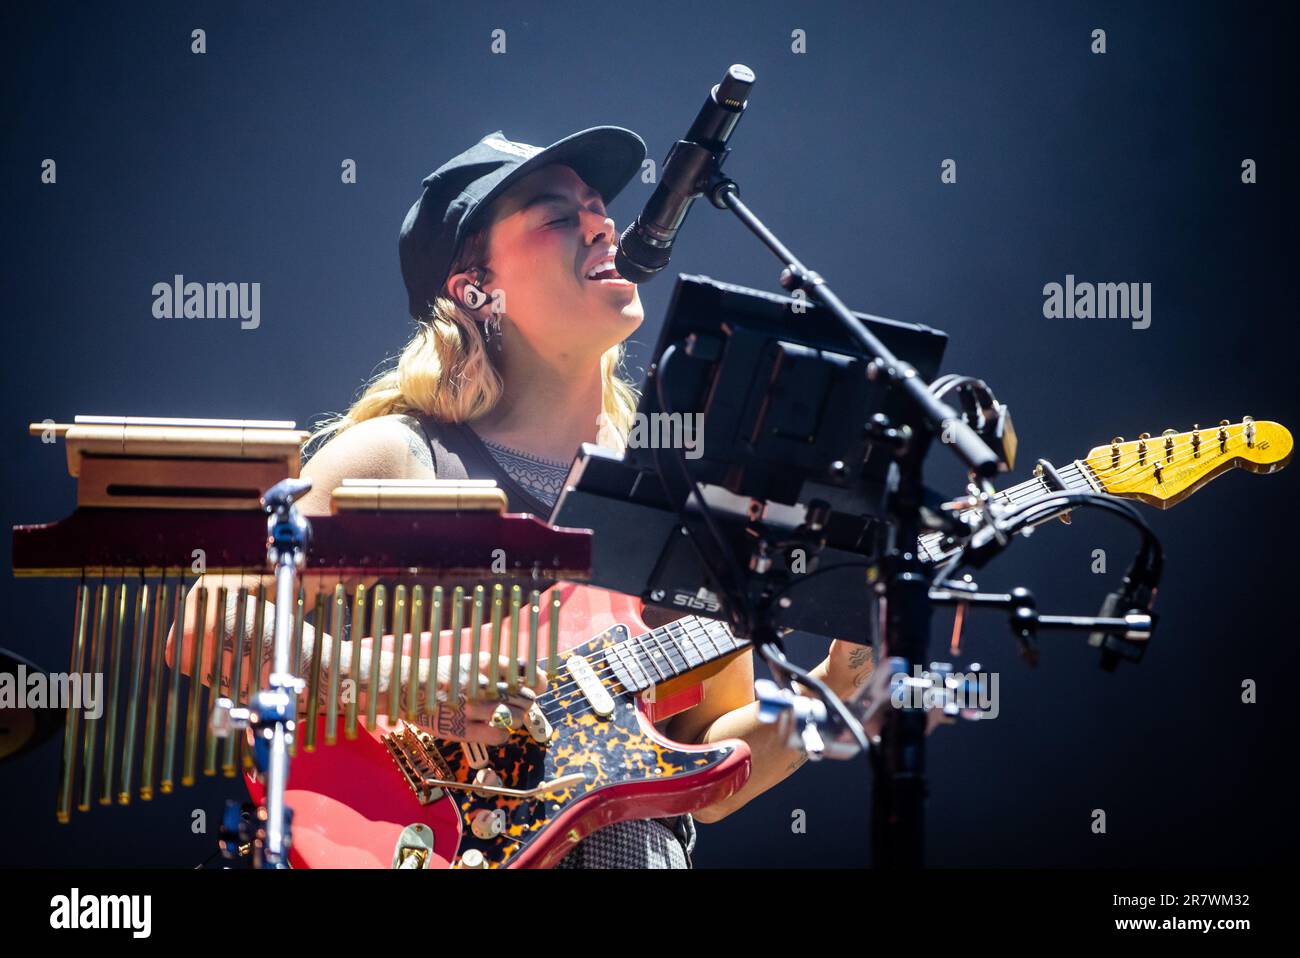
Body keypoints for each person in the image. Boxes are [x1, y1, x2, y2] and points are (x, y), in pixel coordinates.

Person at [181, 127, 874, 868]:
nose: (603, 224)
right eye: (557, 216)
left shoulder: (677, 499)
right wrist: (400, 683)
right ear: (475, 288)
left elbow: (708, 761)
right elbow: (209, 621)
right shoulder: (401, 457)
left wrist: (839, 689)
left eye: (598, 208)